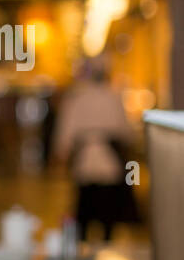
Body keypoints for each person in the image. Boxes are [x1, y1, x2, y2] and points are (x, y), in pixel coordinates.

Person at [51, 59, 139, 241]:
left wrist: (61, 153)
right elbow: (126, 132)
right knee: (107, 216)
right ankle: (105, 248)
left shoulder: (76, 98)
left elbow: (65, 133)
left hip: (85, 164)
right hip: (108, 163)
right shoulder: (113, 97)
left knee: (85, 214)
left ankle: (83, 254)